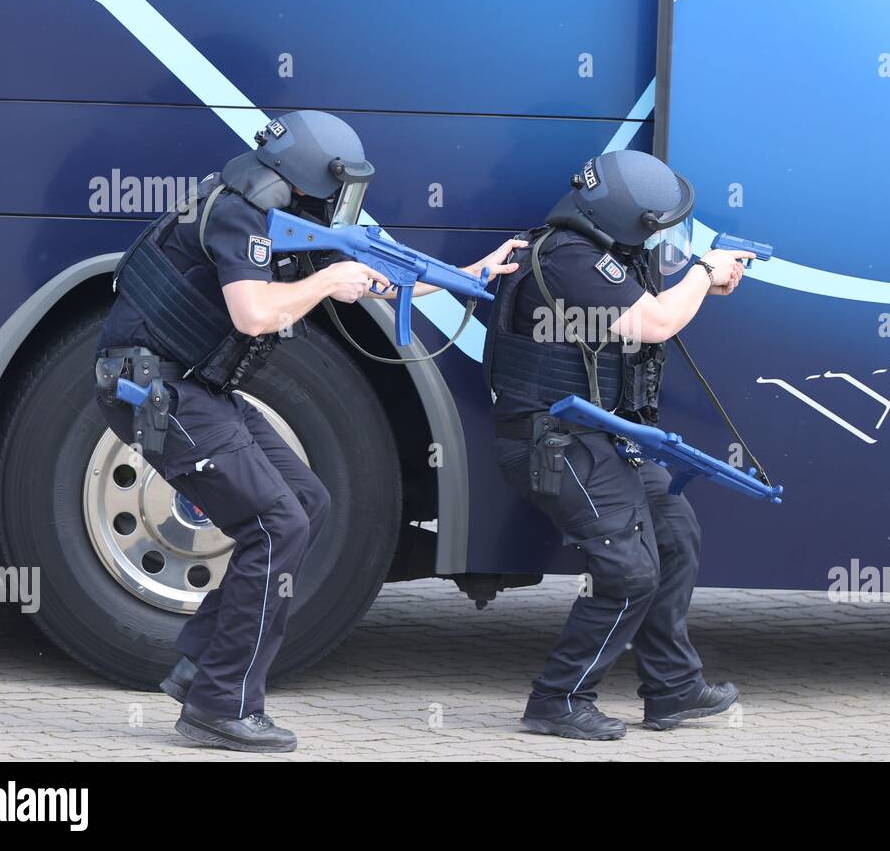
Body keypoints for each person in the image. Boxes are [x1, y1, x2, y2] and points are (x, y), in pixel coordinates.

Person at [95, 110, 520, 752]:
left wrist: (475, 274)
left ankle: (201, 668)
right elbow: (254, 311)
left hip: (195, 389)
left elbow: (392, 271)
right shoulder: (241, 212)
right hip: (155, 390)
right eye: (339, 186)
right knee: (276, 522)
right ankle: (222, 705)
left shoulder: (285, 217)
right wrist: (327, 281)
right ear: (305, 181)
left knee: (309, 504)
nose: (345, 201)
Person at [483, 149, 755, 740]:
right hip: (553, 442)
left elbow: (655, 302)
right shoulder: (572, 258)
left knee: (675, 535)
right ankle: (557, 699)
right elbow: (653, 322)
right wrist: (705, 274)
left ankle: (673, 687)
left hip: (598, 436)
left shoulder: (601, 251)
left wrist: (708, 282)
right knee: (628, 572)